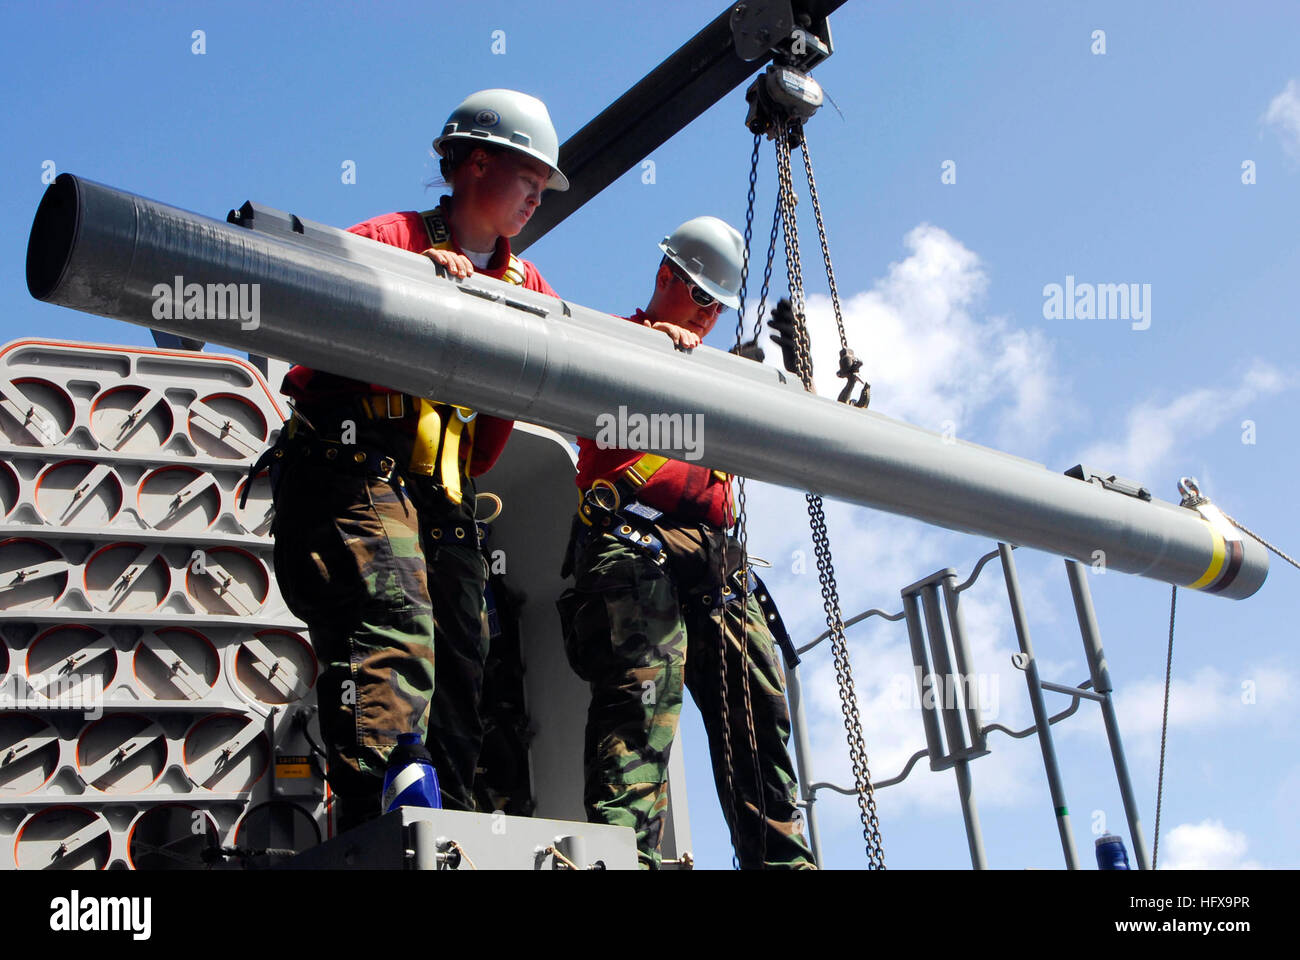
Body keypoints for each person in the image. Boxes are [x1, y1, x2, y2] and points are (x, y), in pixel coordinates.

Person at [266, 89, 565, 832]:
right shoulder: (387, 241)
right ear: (474, 164)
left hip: (441, 495)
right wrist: (409, 292)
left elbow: (493, 434)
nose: (536, 193)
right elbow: (304, 316)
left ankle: (448, 826)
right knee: (394, 617)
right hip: (352, 465)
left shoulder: (525, 290)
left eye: (543, 182)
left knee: (464, 659)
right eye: (525, 173)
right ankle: (381, 822)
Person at [558, 216, 816, 869]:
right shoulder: (610, 341)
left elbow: (808, 434)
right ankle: (624, 860)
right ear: (666, 276)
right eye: (701, 298)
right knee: (641, 709)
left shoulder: (720, 374)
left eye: (719, 308)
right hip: (631, 539)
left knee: (758, 710)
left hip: (714, 556)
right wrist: (653, 348)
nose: (707, 319)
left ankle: (781, 863)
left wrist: (793, 383)